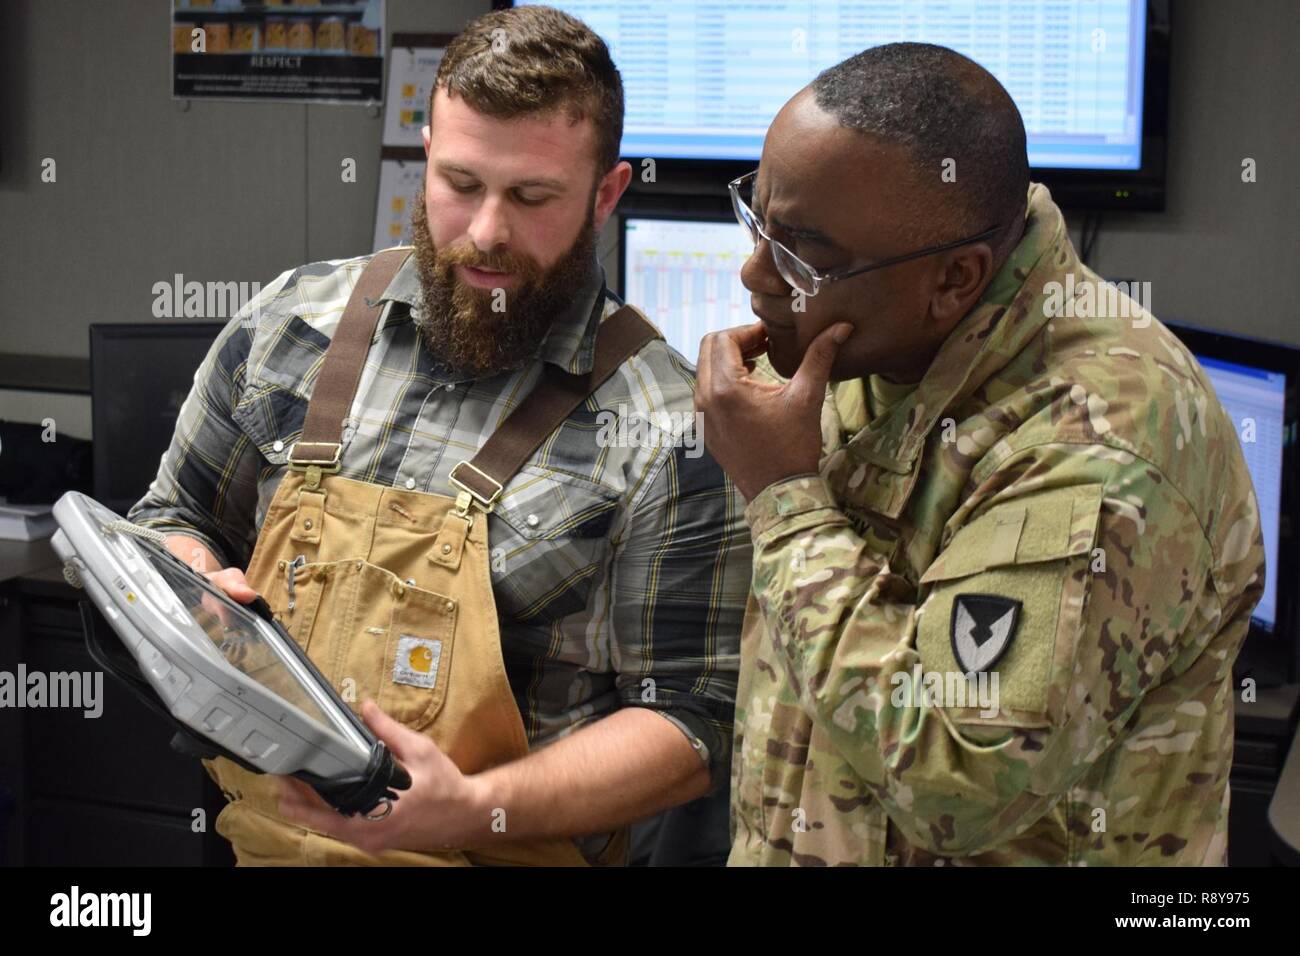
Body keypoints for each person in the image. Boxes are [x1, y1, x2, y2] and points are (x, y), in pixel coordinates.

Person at [128, 4, 749, 866]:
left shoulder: (666, 426)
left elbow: (694, 719)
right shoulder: (290, 325)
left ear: (606, 194)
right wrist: (191, 580)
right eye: (461, 185)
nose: (488, 231)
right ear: (426, 159)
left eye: (532, 196)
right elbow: (170, 515)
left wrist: (473, 808)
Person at [696, 42, 1264, 866]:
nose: (754, 275)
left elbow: (952, 781)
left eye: (801, 256)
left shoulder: (1099, 445)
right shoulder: (872, 343)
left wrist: (784, 498)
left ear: (956, 280)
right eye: (758, 221)